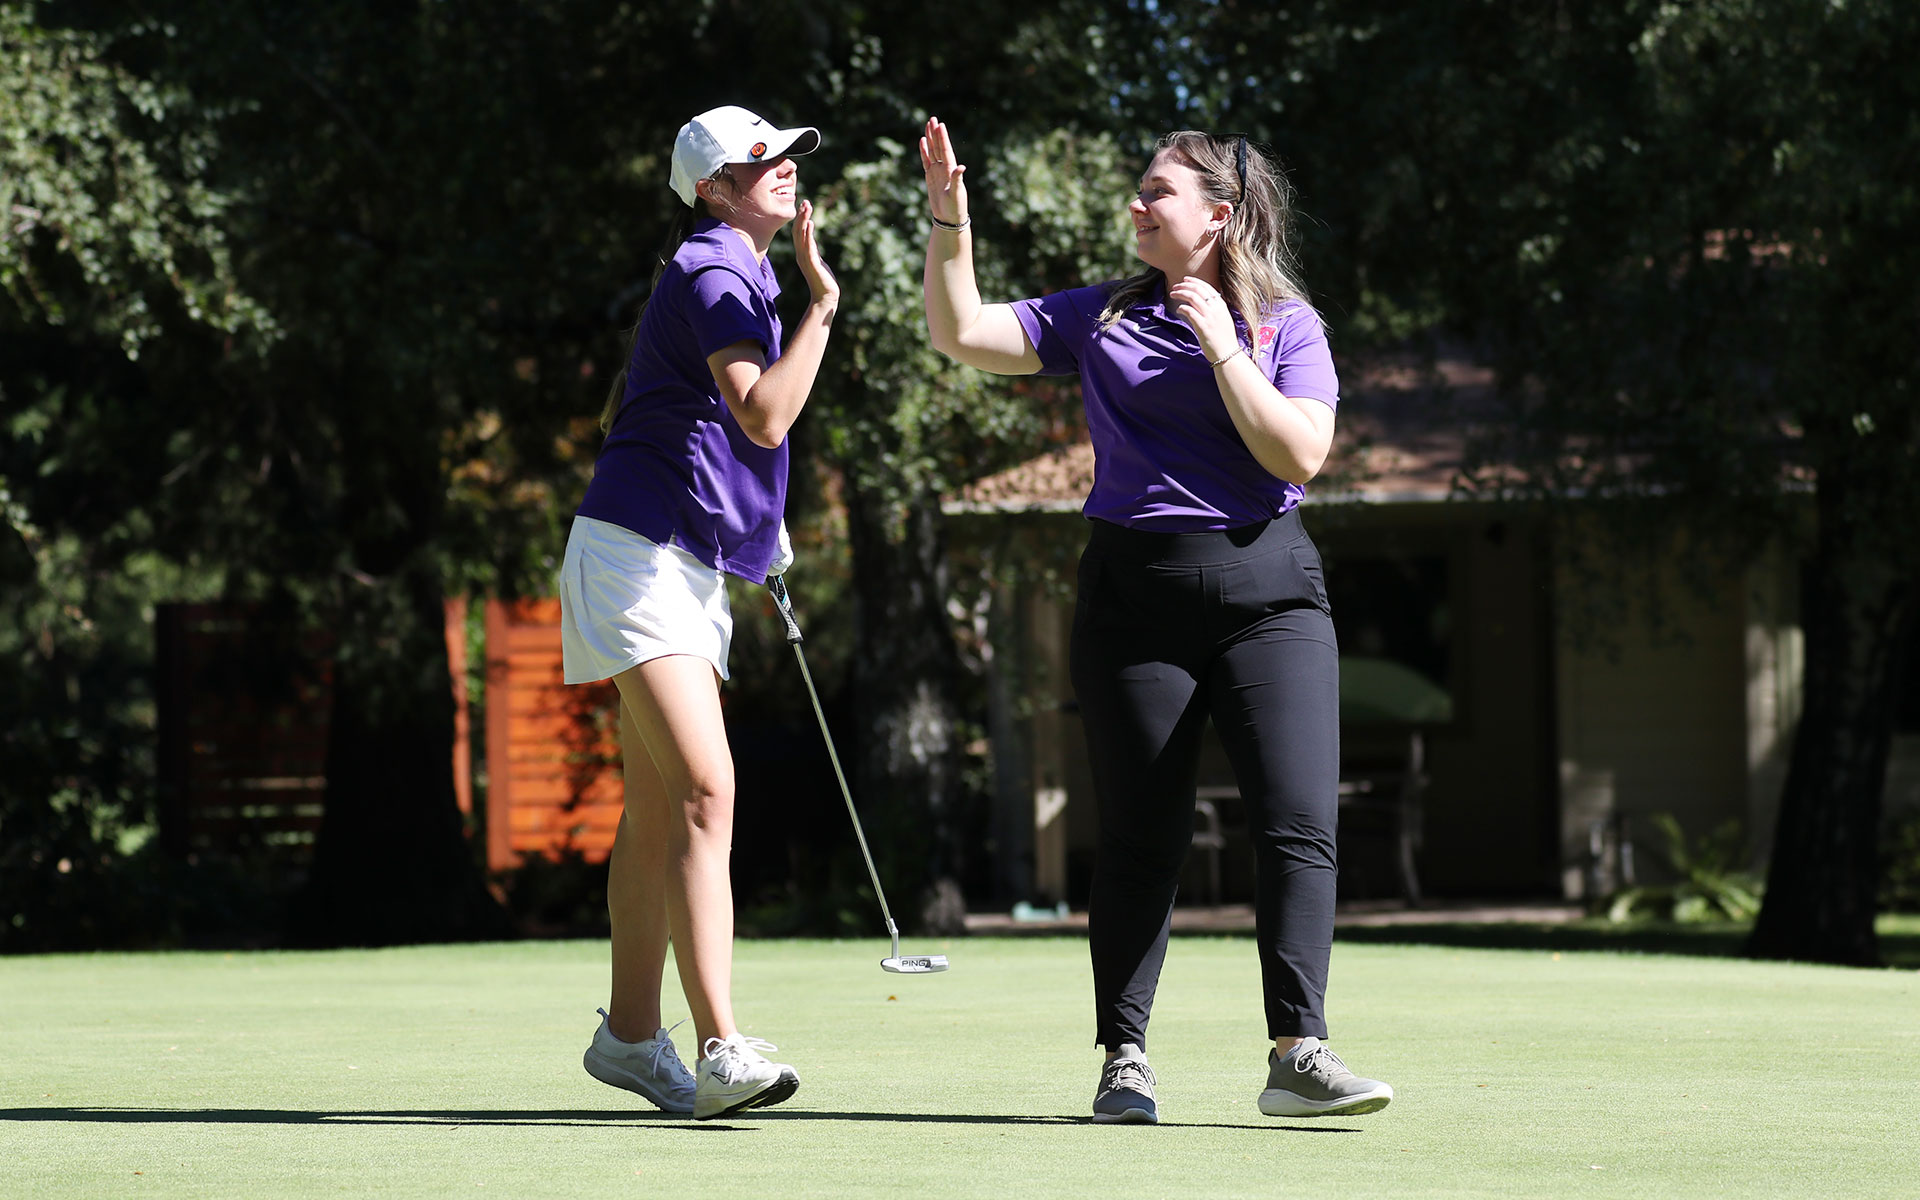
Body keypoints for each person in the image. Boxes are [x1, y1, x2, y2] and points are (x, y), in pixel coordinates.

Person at [920, 117, 1393, 1123]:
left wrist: (1223, 345)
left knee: (1299, 823)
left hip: (1272, 594)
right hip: (1136, 599)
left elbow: (1298, 455)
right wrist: (947, 221)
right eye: (1139, 191)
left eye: (1157, 192)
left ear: (1217, 216)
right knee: (1143, 835)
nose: (1136, 205)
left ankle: (1298, 1052)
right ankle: (1123, 1058)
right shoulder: (1101, 317)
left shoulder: (1288, 328)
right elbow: (962, 333)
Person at [561, 104, 838, 1121]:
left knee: (652, 817)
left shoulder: (740, 270)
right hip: (634, 561)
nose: (781, 170)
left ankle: (631, 1037)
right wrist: (826, 305)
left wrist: (757, 542)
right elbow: (762, 414)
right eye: (755, 162)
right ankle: (722, 1045)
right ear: (712, 190)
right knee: (707, 793)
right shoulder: (721, 267)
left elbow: (731, 450)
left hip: (670, 565)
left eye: (784, 157)